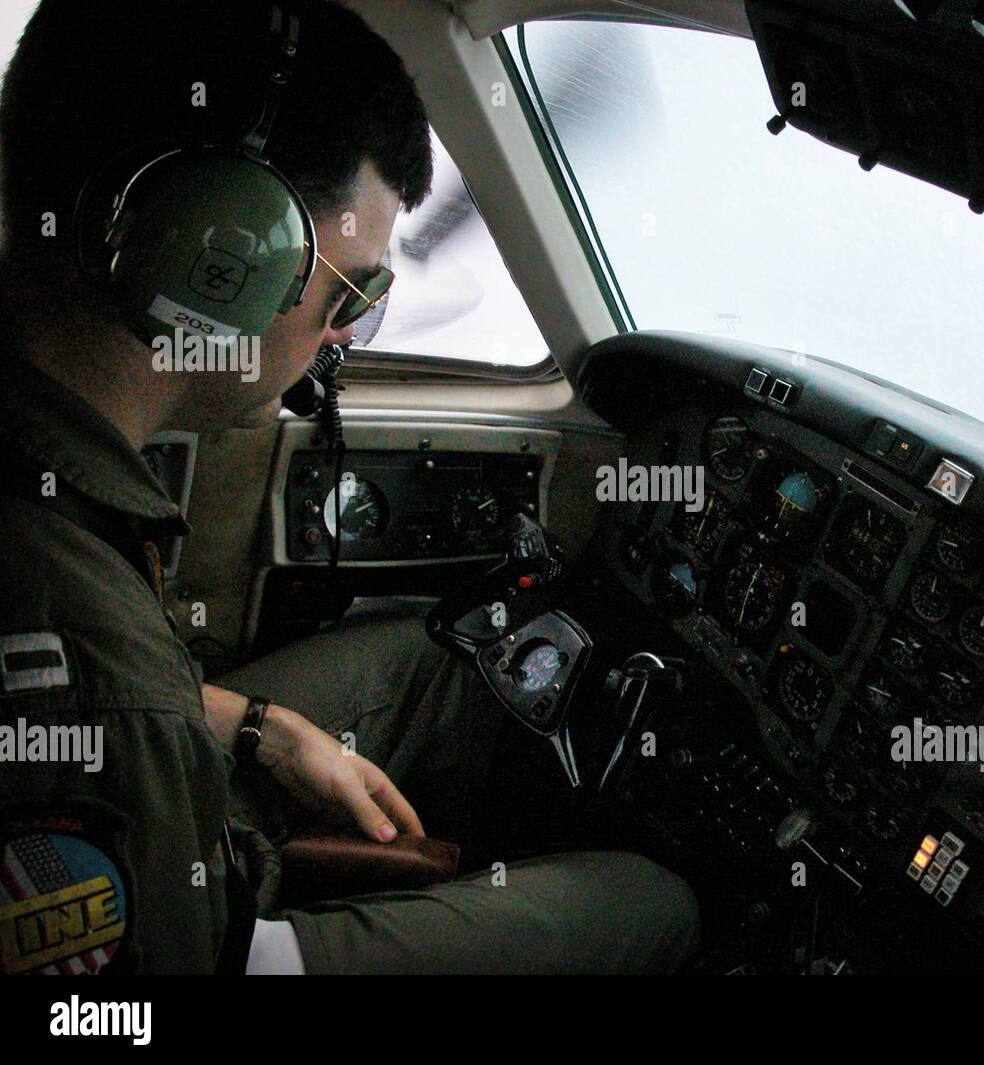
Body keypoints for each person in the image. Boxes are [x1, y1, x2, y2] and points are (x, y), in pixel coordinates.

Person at [0, 0, 698, 975]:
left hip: (163, 789)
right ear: (214, 258)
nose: (343, 339)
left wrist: (263, 730)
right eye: (351, 293)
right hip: (210, 948)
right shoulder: (97, 686)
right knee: (649, 902)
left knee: (443, 671)